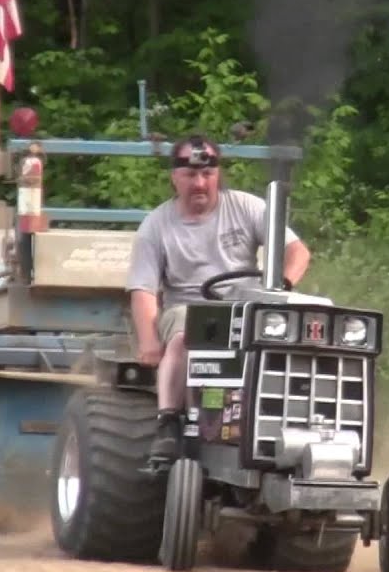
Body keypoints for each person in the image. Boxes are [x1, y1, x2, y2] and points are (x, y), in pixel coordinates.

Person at [125, 134, 312, 464]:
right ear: (175, 177)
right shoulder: (155, 226)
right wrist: (149, 341)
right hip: (189, 307)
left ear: (217, 174)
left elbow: (297, 251)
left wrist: (282, 285)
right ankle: (168, 423)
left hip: (246, 306)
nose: (199, 183)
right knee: (185, 335)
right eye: (190, 175)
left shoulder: (247, 207)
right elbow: (143, 291)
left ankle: (299, 420)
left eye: (207, 174)